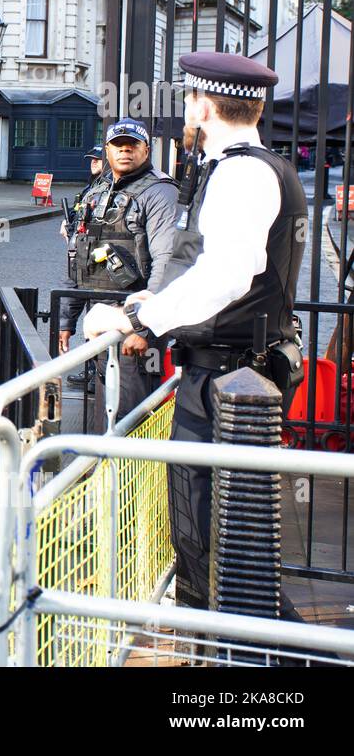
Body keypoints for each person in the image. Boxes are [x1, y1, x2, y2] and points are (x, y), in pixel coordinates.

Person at [84, 51, 307, 613]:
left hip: (231, 378)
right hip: (229, 373)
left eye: (188, 98)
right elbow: (200, 262)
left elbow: (229, 272)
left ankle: (243, 658)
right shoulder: (232, 167)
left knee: (215, 533)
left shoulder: (243, 172)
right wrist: (153, 302)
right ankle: (232, 643)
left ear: (203, 104)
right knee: (221, 533)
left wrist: (139, 320)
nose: (186, 108)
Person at [63, 121, 179, 430]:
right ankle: (108, 473)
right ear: (108, 150)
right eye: (118, 144)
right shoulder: (97, 190)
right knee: (106, 405)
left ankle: (126, 470)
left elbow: (166, 263)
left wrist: (146, 329)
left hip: (133, 322)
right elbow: (79, 256)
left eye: (132, 145)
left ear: (146, 150)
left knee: (131, 411)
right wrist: (67, 319)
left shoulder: (160, 192)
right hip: (99, 318)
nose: (125, 149)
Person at [59, 146, 111, 388]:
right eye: (91, 159)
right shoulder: (91, 188)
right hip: (82, 257)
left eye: (97, 160)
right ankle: (93, 371)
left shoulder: (107, 188)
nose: (93, 163)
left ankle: (97, 375)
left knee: (98, 318)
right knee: (91, 317)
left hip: (99, 265)